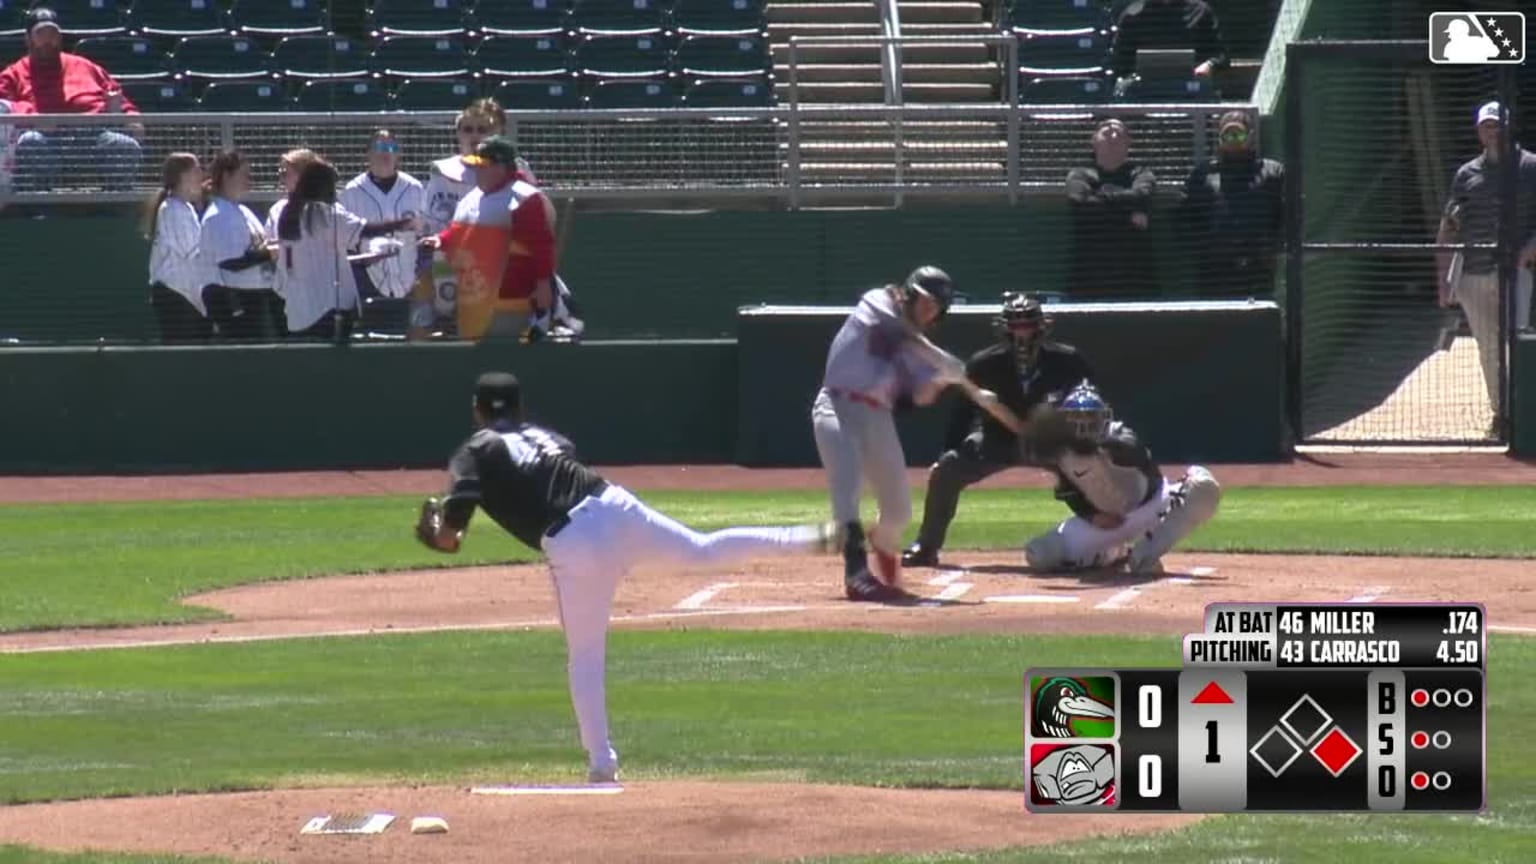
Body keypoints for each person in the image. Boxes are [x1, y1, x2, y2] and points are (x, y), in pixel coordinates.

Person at [413, 371, 838, 784]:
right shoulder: (545, 436)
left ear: (476, 411)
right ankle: (816, 537)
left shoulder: (475, 449)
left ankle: (602, 766)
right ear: (521, 407)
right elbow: (557, 459)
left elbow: (450, 539)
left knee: (586, 656)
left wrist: (432, 533)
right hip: (615, 505)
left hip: (574, 541)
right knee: (703, 549)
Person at [902, 293, 1095, 568]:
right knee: (947, 469)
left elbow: (1091, 404)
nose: (1022, 333)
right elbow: (963, 411)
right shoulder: (985, 363)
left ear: (1042, 326)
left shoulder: (1068, 361)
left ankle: (1106, 540)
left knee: (1092, 473)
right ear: (1004, 328)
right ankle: (926, 545)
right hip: (996, 439)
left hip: (1053, 443)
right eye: (1016, 325)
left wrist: (1081, 446)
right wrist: (948, 450)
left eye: (1028, 325)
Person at [812, 266, 961, 602]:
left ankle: (882, 542)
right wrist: (943, 360)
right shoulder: (877, 301)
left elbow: (920, 396)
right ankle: (856, 574)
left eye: (936, 307)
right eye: (925, 300)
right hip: (836, 406)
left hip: (876, 416)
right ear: (909, 293)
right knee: (846, 486)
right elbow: (902, 334)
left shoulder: (918, 353)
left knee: (898, 511)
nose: (929, 310)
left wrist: (943, 379)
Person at [1024, 381, 1221, 575]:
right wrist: (1092, 516)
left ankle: (1146, 554)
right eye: (1077, 416)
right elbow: (1070, 493)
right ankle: (1111, 553)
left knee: (1202, 486)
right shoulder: (1062, 454)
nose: (1084, 423)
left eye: (1090, 416)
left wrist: (1096, 445)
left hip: (1154, 507)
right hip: (1108, 522)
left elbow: (1132, 450)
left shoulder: (1118, 435)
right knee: (1041, 553)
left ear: (1103, 416)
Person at [1436, 100, 1536, 435]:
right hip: (1472, 274)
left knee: (1517, 342)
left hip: (1515, 272)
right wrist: (1443, 279)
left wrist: (1528, 251)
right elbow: (1449, 225)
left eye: (1497, 124)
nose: (1492, 131)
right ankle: (1502, 414)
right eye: (1487, 125)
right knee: (1488, 348)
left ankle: (1524, 411)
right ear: (1479, 131)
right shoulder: (1466, 174)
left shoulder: (1530, 167)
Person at [419, 136, 556, 342]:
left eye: (483, 165)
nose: (477, 171)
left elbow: (541, 250)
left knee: (502, 365)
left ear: (501, 167)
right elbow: (457, 232)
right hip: (471, 298)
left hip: (508, 301)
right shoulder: (473, 196)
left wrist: (543, 296)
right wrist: (441, 240)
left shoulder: (524, 198)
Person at [273, 158, 418, 341]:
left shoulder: (289, 213)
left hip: (298, 312)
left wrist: (367, 258)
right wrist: (403, 223)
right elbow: (365, 230)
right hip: (326, 310)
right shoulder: (322, 213)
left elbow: (320, 258)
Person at [0, 7, 143, 192]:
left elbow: (116, 95)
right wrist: (32, 117)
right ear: (28, 39)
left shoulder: (84, 65)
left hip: (93, 134)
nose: (48, 40)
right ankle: (37, 206)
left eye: (53, 34)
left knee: (124, 145)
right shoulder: (14, 73)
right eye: (41, 34)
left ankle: (115, 205)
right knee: (31, 141)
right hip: (48, 136)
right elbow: (3, 106)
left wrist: (130, 115)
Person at [416, 98, 517, 339]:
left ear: (498, 132)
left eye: (483, 130)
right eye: (468, 129)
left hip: (496, 262)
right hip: (448, 258)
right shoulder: (441, 171)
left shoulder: (515, 171)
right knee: (421, 298)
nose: (475, 136)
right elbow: (431, 220)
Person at [1179, 111, 1284, 297]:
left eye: (1239, 134)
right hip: (1213, 272)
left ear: (1250, 136)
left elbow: (1287, 214)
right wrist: (1203, 250)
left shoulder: (1272, 172)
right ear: (1219, 138)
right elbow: (1185, 219)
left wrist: (1273, 248)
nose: (1233, 140)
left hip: (1258, 269)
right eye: (1228, 135)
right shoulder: (1203, 175)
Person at [340, 130, 424, 335]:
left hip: (410, 279)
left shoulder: (414, 187)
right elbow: (347, 244)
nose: (385, 153)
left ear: (398, 154)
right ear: (367, 154)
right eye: (379, 148)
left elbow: (423, 234)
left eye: (391, 148)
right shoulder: (352, 191)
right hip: (370, 280)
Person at [1065, 118, 1159, 298]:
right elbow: (1080, 204)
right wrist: (1127, 214)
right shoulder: (1080, 173)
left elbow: (1142, 195)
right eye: (1106, 132)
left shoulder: (1140, 172)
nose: (1113, 136)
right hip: (1088, 278)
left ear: (1128, 143)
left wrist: (1102, 195)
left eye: (1119, 133)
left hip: (1137, 279)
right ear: (1093, 140)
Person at [198, 150, 282, 341]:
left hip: (255, 295)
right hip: (234, 300)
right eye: (244, 175)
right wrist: (268, 253)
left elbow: (257, 245)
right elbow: (230, 262)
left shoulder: (240, 210)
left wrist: (272, 247)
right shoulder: (220, 215)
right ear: (227, 176)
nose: (248, 180)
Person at [144, 152, 211, 343]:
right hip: (174, 294)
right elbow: (191, 250)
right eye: (197, 169)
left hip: (187, 296)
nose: (202, 175)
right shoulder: (172, 209)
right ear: (183, 175)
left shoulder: (185, 207)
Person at [1108, 0, 1229, 81]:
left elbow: (1220, 54)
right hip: (1144, 92)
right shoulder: (1131, 15)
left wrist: (1209, 65)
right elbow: (1120, 61)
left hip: (1191, 89)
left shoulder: (1200, 11)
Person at [265, 148, 320, 240]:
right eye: (280, 173)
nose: (281, 180)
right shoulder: (277, 210)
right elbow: (268, 241)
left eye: (285, 174)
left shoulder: (329, 211)